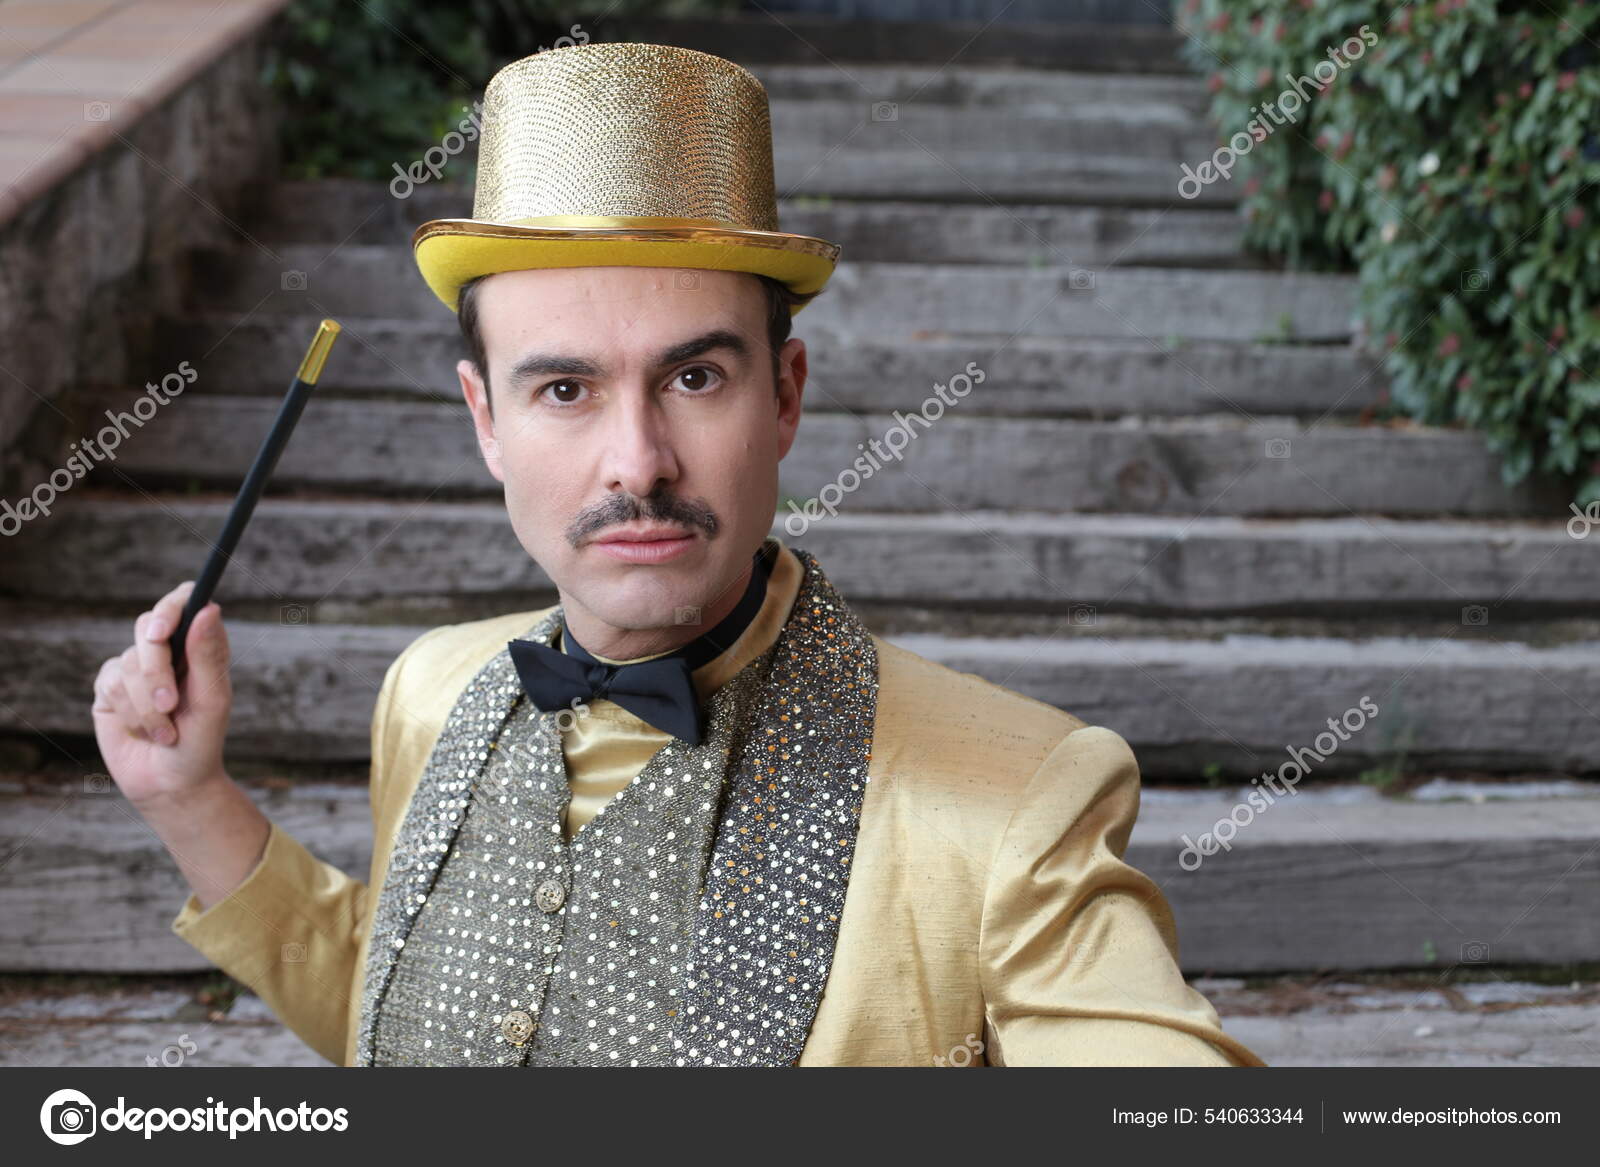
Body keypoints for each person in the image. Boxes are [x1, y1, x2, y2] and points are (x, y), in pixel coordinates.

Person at [91, 42, 1264, 1068]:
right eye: (563, 388)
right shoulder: (429, 691)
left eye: (694, 377)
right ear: (484, 420)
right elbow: (404, 1010)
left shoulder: (1019, 795)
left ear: (786, 394)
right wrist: (190, 799)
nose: (637, 462)